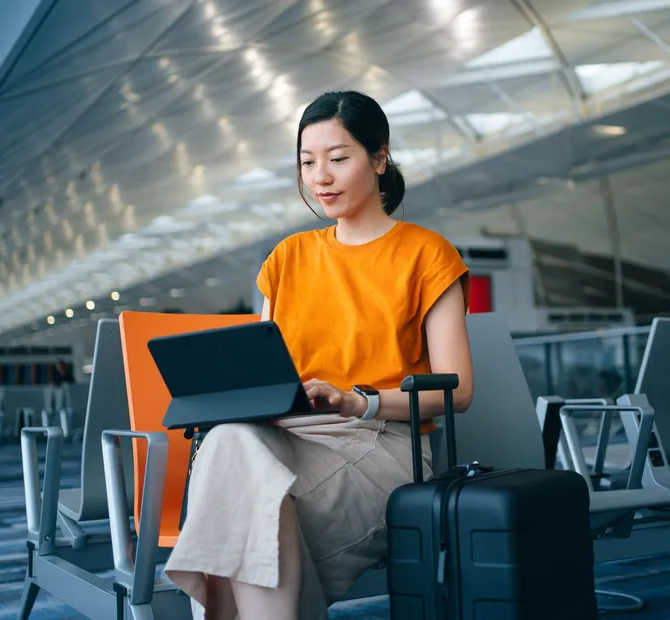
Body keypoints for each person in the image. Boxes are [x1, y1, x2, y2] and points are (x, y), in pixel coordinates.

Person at [164, 90, 474, 620]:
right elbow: (258, 371)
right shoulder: (287, 258)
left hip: (377, 442)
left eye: (337, 158)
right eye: (308, 162)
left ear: (379, 159)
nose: (320, 177)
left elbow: (457, 391)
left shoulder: (427, 253)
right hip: (283, 438)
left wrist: (359, 402)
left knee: (241, 506)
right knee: (229, 440)